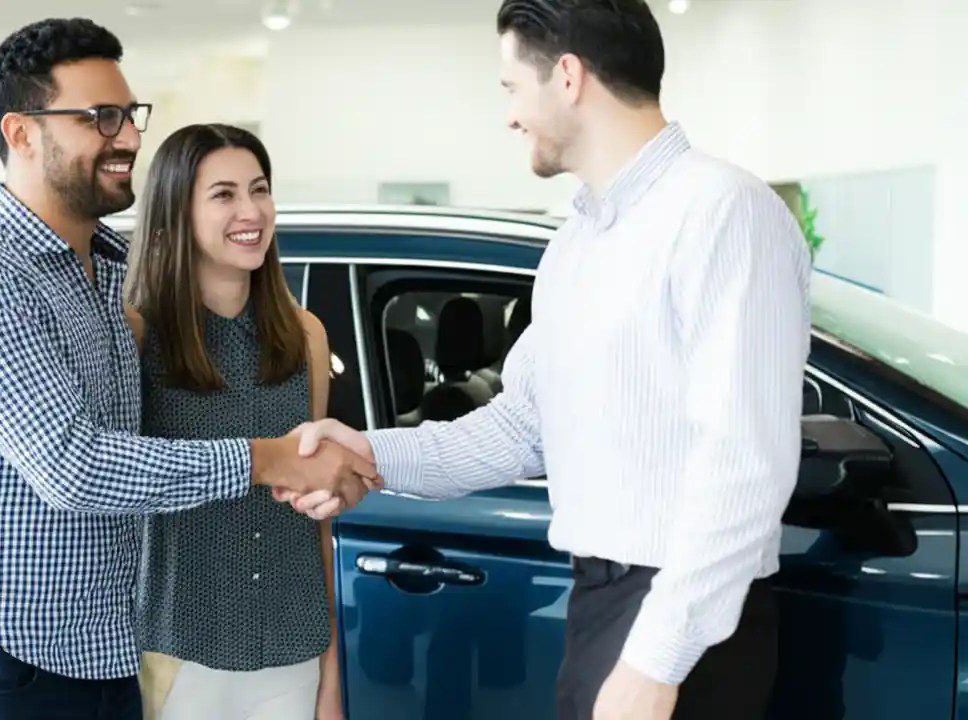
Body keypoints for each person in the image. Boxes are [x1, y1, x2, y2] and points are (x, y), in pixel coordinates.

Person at [287, 1, 812, 719]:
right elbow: (518, 429)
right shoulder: (576, 243)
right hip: (602, 601)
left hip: (681, 620)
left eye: (510, 87)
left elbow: (743, 465)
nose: (508, 115)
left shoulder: (723, 213)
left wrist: (656, 661)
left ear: (566, 76)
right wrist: (367, 453)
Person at [0, 18, 375, 720]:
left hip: (102, 660)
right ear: (21, 133)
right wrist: (267, 460)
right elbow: (73, 467)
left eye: (129, 116)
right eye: (100, 118)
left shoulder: (107, 274)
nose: (128, 138)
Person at [123, 123, 343, 720]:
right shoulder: (138, 336)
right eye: (223, 194)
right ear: (175, 214)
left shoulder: (305, 336)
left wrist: (330, 674)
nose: (251, 211)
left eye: (260, 189)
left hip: (292, 653)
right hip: (173, 654)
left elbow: (315, 517)